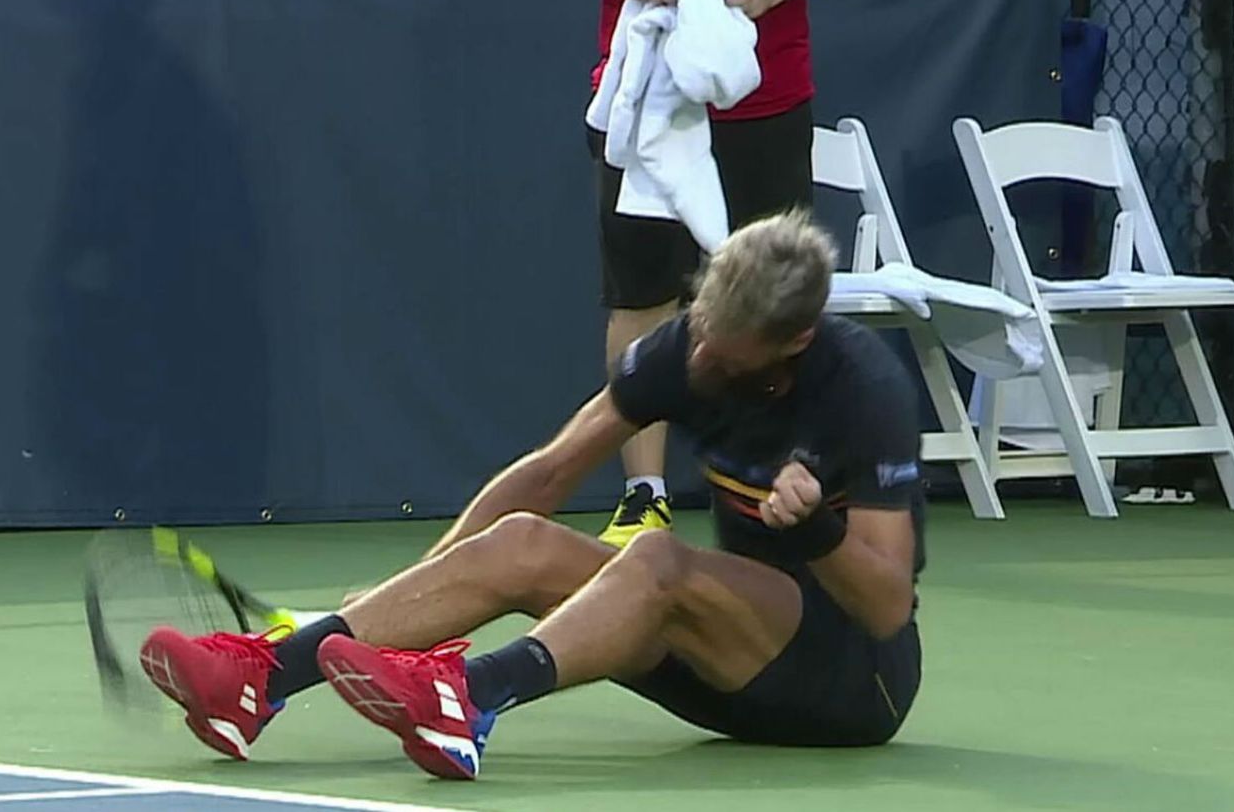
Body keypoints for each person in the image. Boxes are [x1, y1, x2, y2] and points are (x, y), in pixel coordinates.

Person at [138, 213, 925, 780]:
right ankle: (259, 683)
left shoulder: (864, 392)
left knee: (652, 554)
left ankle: (469, 702)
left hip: (849, 690)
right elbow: (549, 474)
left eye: (728, 350)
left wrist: (819, 529)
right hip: (722, 664)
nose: (705, 353)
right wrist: (403, 598)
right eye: (704, 329)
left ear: (795, 339)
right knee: (524, 536)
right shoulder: (690, 346)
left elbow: (887, 610)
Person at [544, 0, 868, 547]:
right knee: (641, 295)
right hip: (646, 101)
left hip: (765, 95)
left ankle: (777, 482)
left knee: (775, 301)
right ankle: (645, 496)